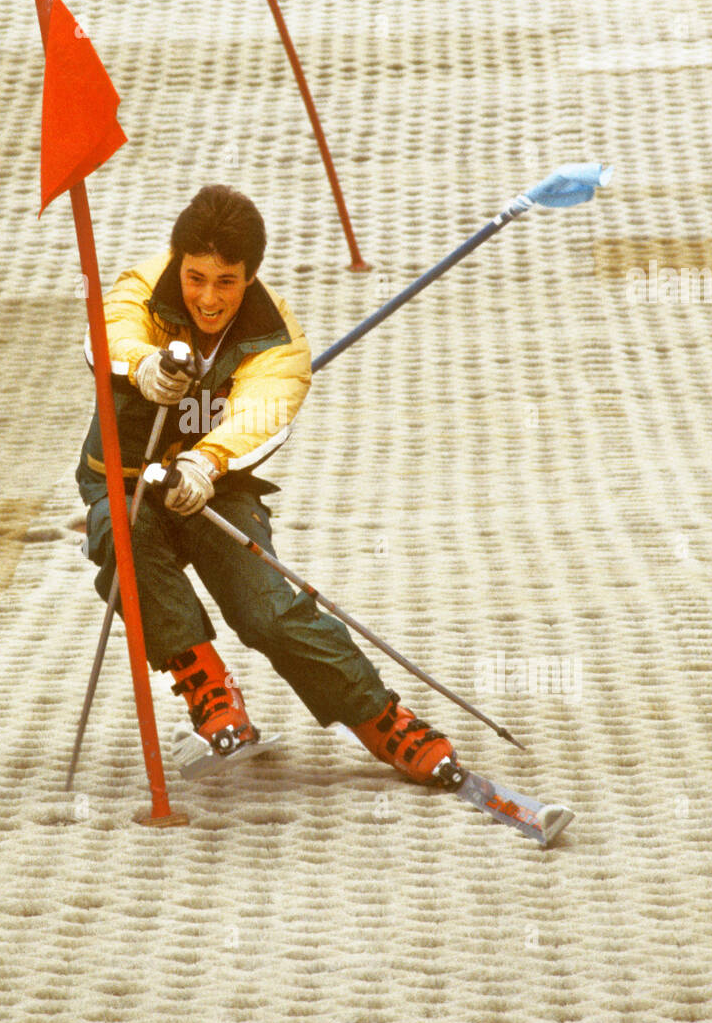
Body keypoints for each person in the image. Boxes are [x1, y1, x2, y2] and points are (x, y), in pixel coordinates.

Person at [76, 185, 459, 783]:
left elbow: (263, 413)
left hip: (216, 490)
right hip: (127, 484)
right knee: (120, 535)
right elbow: (110, 336)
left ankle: (382, 720)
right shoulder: (141, 289)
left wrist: (205, 464)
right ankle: (210, 692)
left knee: (268, 613)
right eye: (195, 277)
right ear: (177, 260)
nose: (207, 298)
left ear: (250, 277)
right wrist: (143, 367)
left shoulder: (277, 338)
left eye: (226, 282)